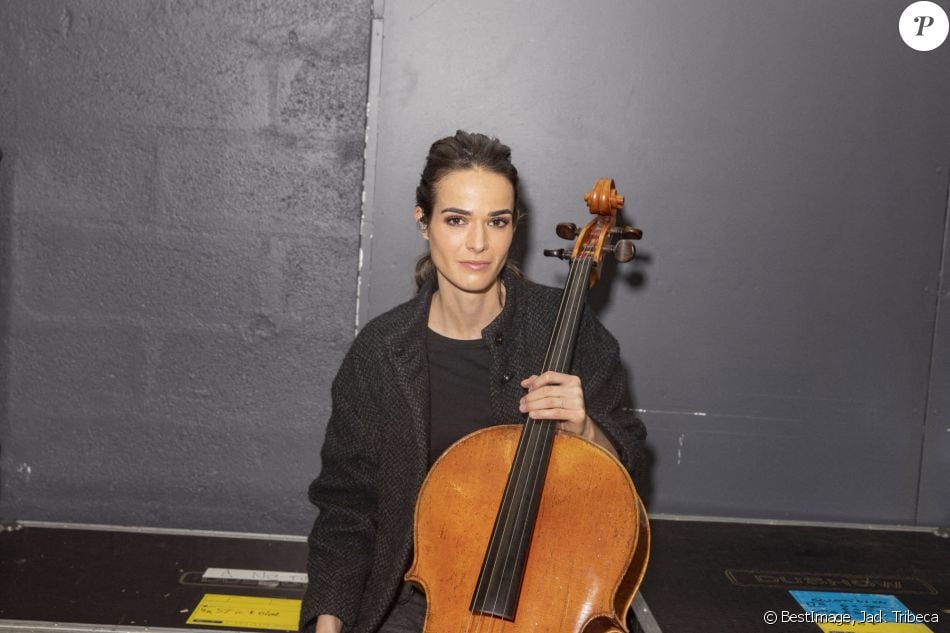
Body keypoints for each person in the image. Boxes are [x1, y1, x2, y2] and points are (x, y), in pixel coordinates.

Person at [300, 131, 646, 633]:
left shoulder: (568, 332)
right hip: (422, 600)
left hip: (557, 593)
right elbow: (346, 511)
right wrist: (328, 625)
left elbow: (629, 480)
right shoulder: (379, 352)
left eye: (497, 222)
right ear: (423, 223)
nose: (479, 243)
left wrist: (589, 433)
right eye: (456, 219)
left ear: (515, 228)